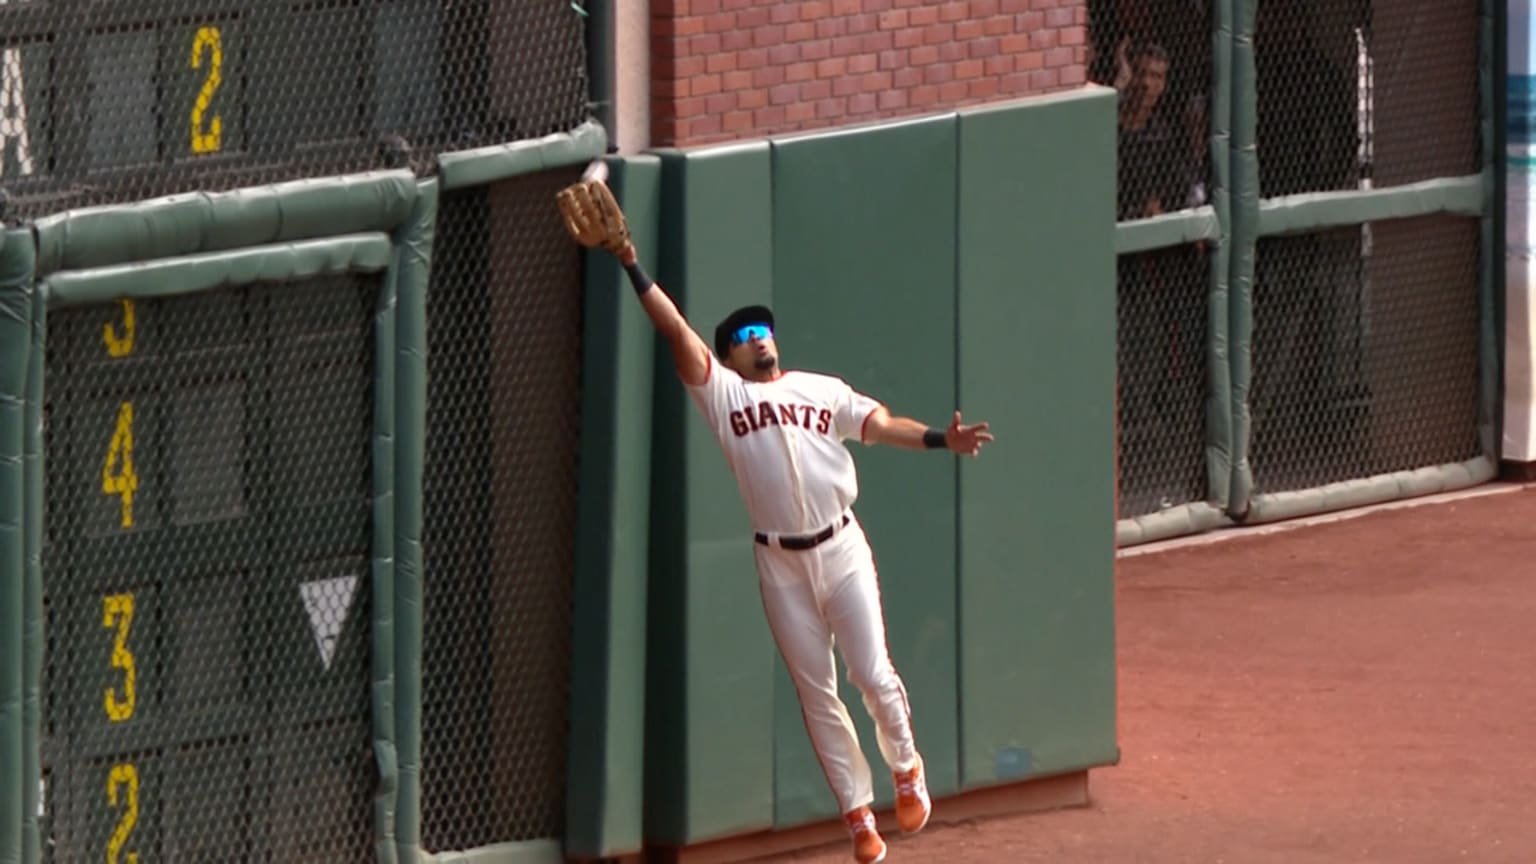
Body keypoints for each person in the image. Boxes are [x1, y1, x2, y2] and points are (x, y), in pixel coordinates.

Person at [556, 171, 994, 864]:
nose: (760, 340)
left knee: (872, 675)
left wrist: (942, 439)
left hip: (842, 548)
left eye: (766, 331)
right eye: (746, 335)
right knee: (816, 692)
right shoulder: (722, 396)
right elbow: (674, 330)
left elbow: (879, 426)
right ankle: (857, 817)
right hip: (780, 564)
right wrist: (630, 261)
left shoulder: (819, 389)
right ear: (729, 353)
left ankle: (906, 769)